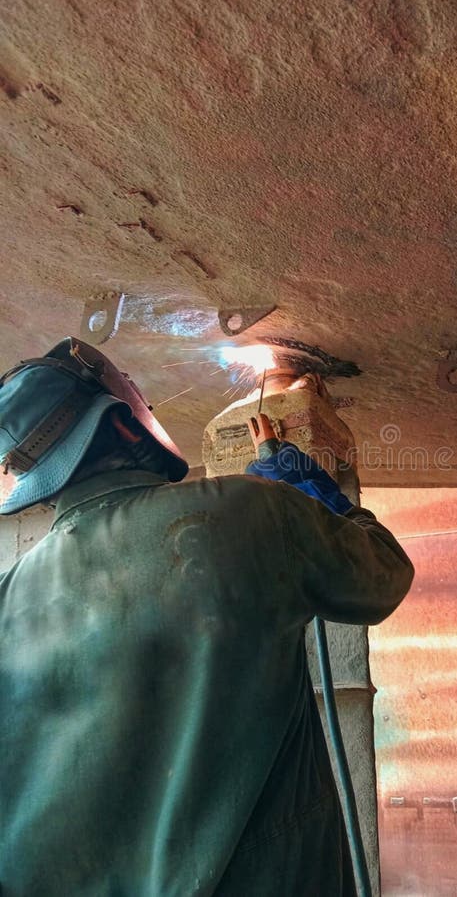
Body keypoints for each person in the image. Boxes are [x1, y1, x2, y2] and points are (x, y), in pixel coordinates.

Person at [0, 337, 414, 896]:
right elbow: (383, 576)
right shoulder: (251, 510)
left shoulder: (8, 597)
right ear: (125, 423)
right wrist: (308, 494)